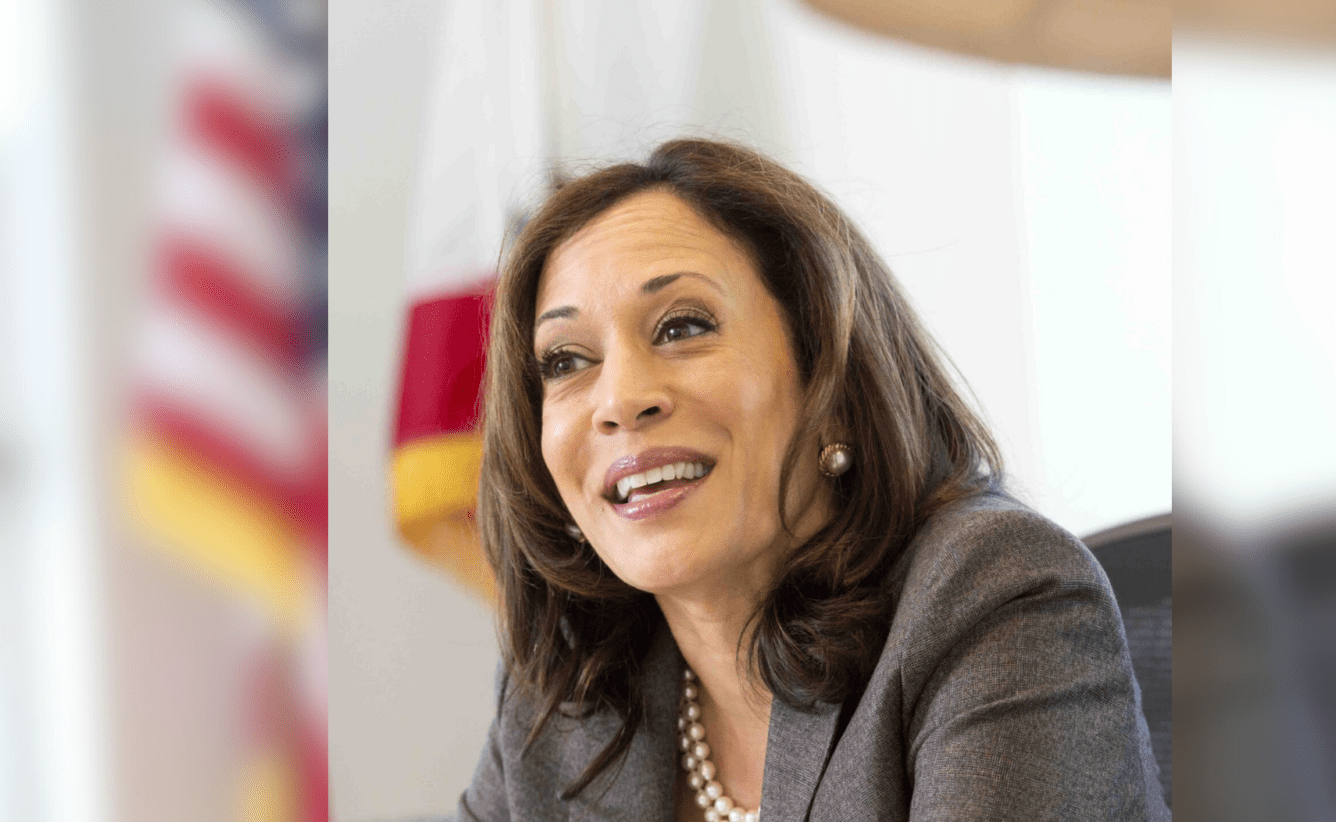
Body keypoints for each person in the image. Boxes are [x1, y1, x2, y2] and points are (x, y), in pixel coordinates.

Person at [460, 138, 1168, 821]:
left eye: (682, 327)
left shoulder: (990, 597)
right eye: (566, 361)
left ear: (830, 378)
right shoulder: (565, 681)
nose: (618, 400)